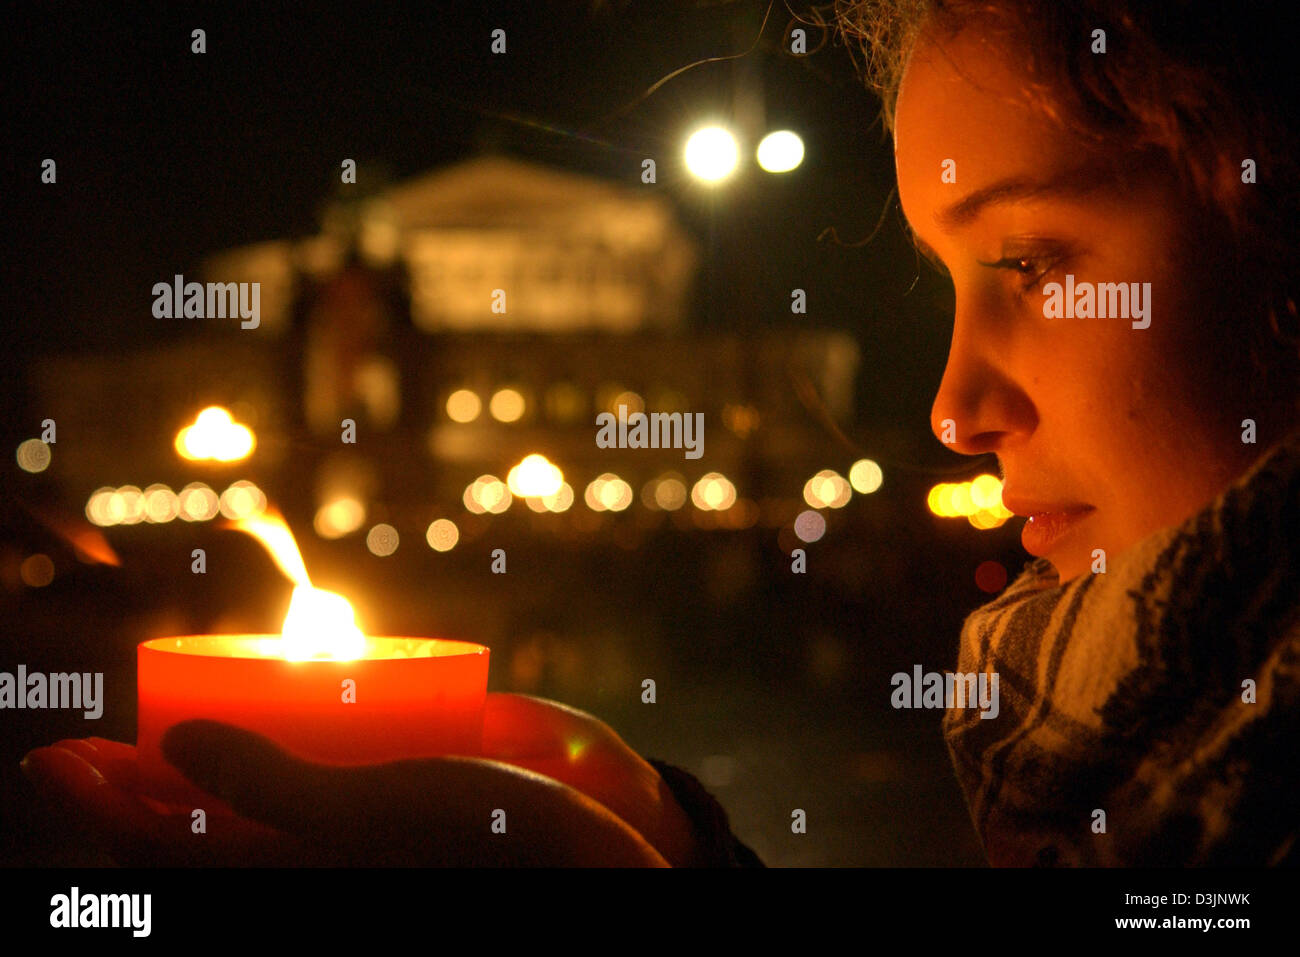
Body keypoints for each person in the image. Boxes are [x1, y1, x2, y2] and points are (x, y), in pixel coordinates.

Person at [23, 0, 1299, 866]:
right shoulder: (1116, 761)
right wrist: (666, 848)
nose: (952, 410)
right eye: (950, 285)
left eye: (1029, 258)